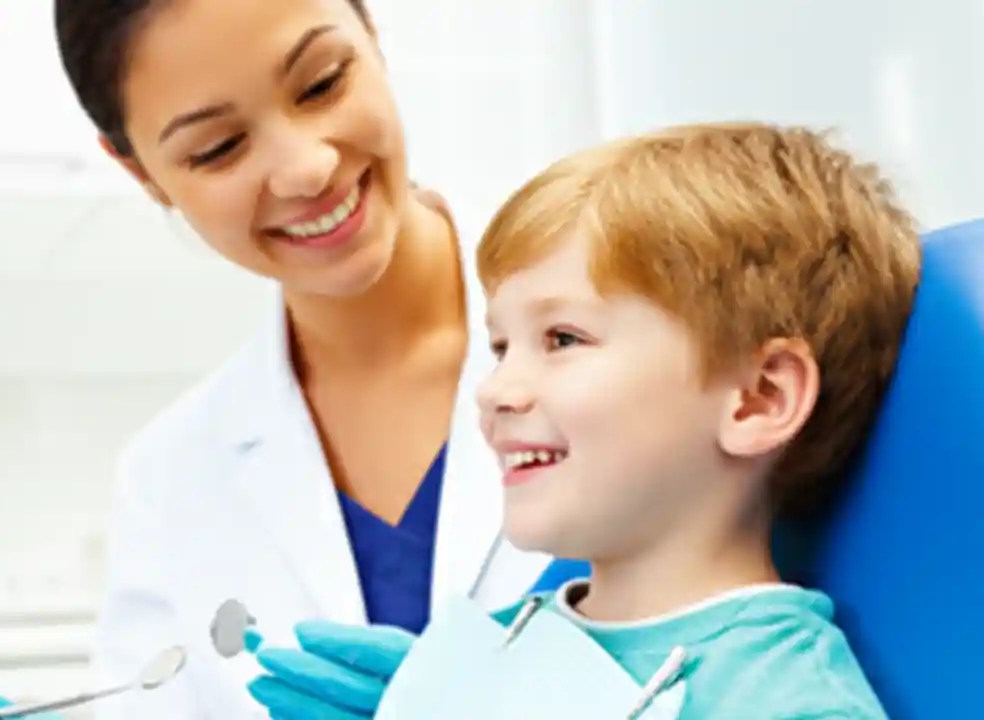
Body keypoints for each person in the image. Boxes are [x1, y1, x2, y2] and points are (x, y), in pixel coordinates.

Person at [0, 0, 554, 718]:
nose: (307, 168)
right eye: (217, 147)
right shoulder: (169, 478)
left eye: (322, 84)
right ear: (140, 171)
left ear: (371, 31)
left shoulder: (647, 321)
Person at [243, 122, 920, 718]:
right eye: (501, 346)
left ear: (758, 398)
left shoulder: (786, 700)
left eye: (563, 339)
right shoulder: (497, 652)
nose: (495, 389)